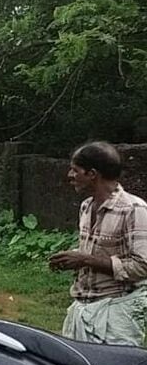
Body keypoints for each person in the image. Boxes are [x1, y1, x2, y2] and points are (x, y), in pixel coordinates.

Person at [49, 141, 147, 346]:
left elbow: (142, 266)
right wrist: (72, 258)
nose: (69, 175)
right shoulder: (86, 206)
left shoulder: (134, 210)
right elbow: (95, 251)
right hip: (82, 307)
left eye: (75, 170)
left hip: (117, 314)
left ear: (92, 174)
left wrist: (85, 259)